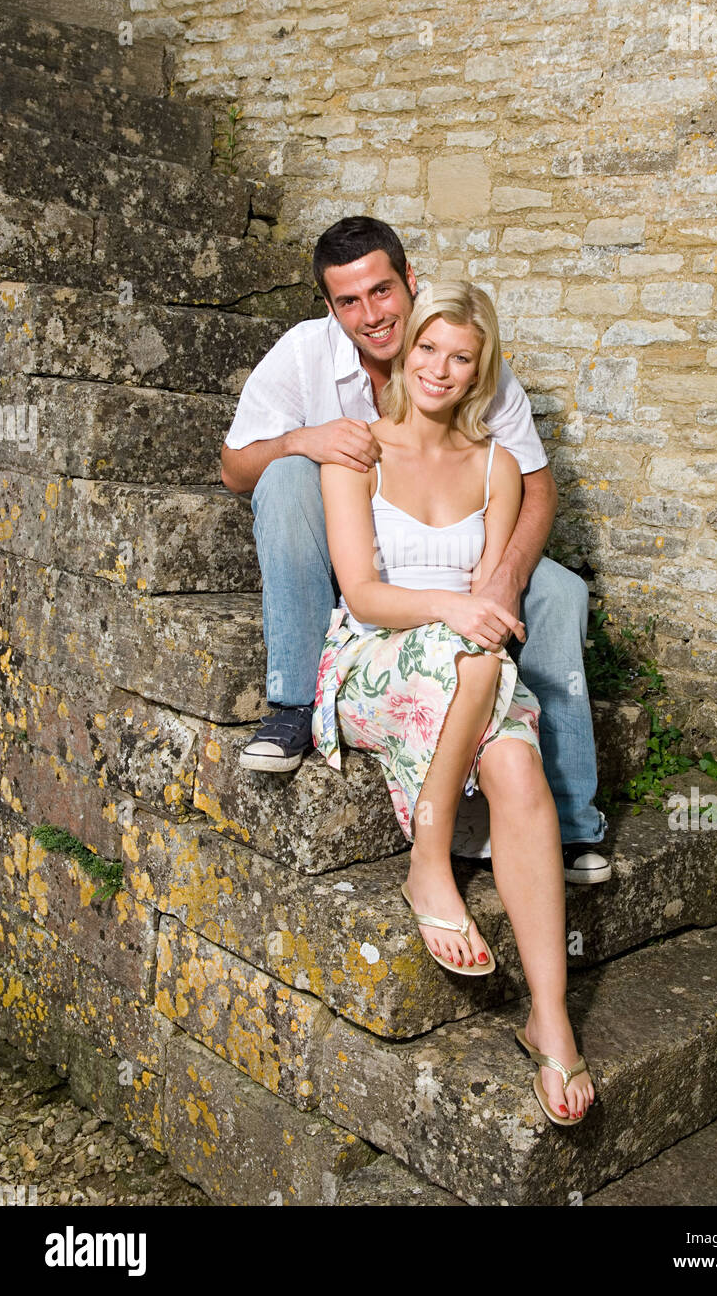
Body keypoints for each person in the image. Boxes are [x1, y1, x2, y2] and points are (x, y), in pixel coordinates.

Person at [220, 215, 609, 884]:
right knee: (283, 475)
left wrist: (502, 581)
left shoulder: (453, 351)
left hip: (458, 551)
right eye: (348, 300)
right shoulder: (303, 353)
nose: (370, 315)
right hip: (351, 545)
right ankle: (292, 704)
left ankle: (572, 819)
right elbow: (234, 469)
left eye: (381, 291)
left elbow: (536, 489)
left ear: (410, 282)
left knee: (562, 591)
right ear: (328, 305)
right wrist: (298, 441)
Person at [311, 278, 596, 1126]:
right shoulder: (355, 450)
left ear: (479, 373)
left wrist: (472, 619)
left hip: (467, 662)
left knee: (513, 763)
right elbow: (362, 593)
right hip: (372, 661)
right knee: (477, 661)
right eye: (427, 347)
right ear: (406, 349)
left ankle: (550, 1019)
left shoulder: (497, 466)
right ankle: (427, 858)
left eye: (460, 357)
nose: (439, 367)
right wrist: (452, 612)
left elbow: (493, 592)